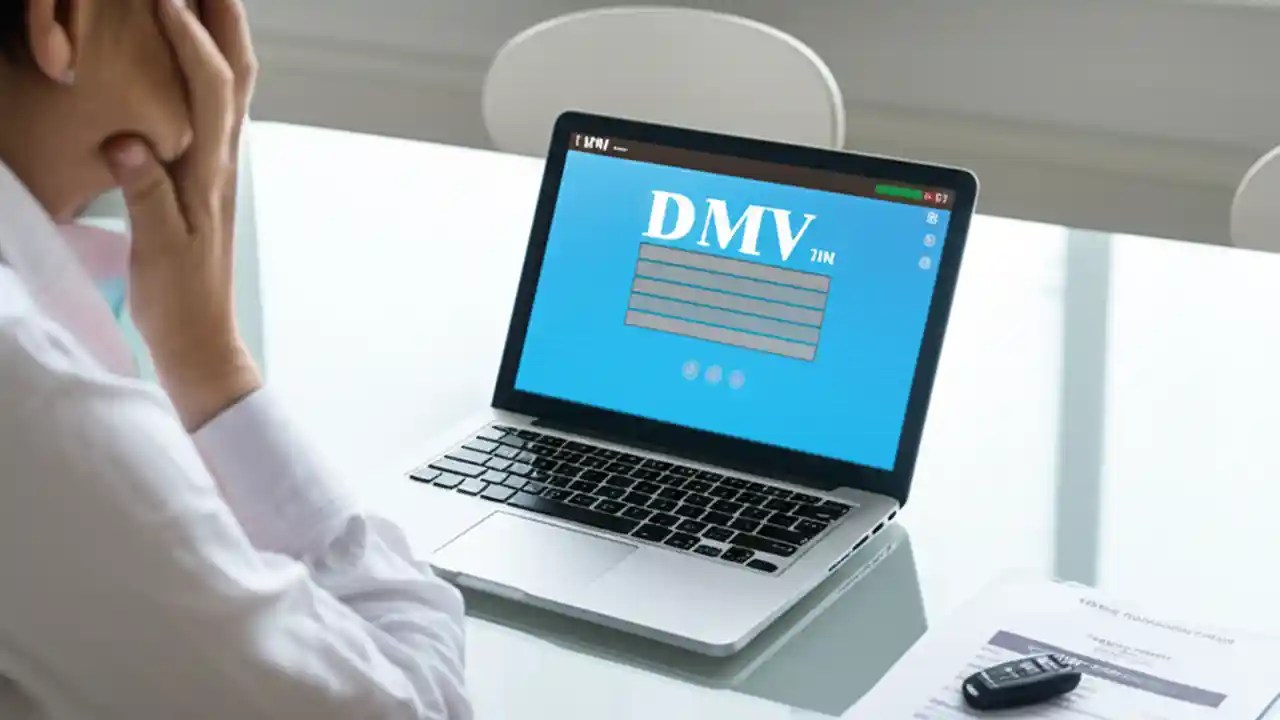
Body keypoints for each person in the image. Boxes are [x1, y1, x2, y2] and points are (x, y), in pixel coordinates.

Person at [0, 1, 472, 718]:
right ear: (61, 18)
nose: (229, 56)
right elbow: (413, 705)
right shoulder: (26, 390)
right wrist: (213, 367)